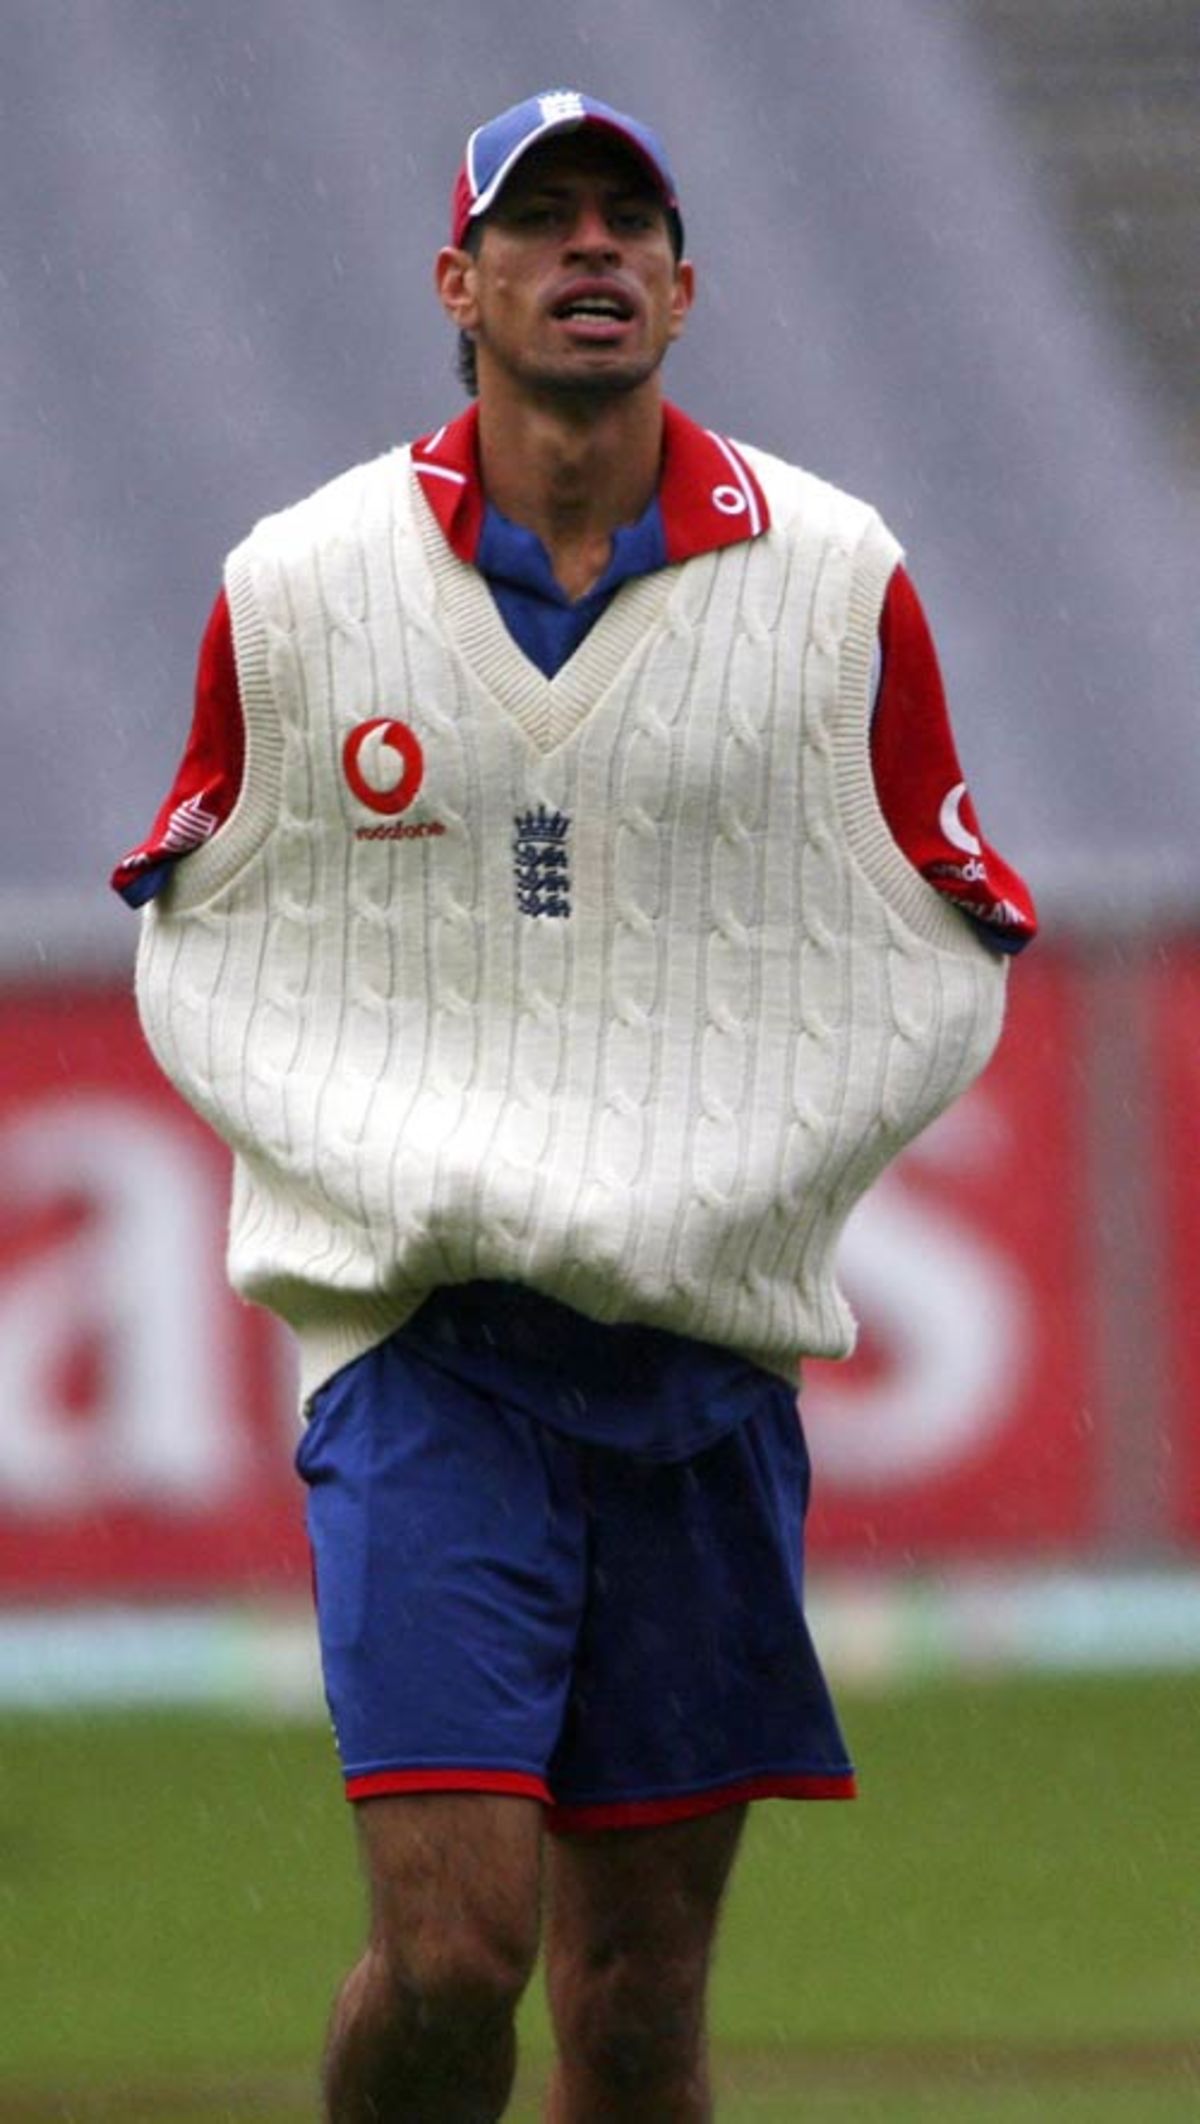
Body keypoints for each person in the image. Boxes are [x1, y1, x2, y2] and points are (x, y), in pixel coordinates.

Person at [116, 88, 1036, 2124]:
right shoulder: (304, 586)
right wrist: (402, 1174)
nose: (592, 248)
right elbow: (198, 941)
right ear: (459, 284)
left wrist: (737, 1188)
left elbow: (950, 933)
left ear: (687, 289)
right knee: (454, 1956)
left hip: (701, 1367)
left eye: (631, 219)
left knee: (634, 2009)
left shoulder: (834, 580)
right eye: (544, 222)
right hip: (428, 1354)